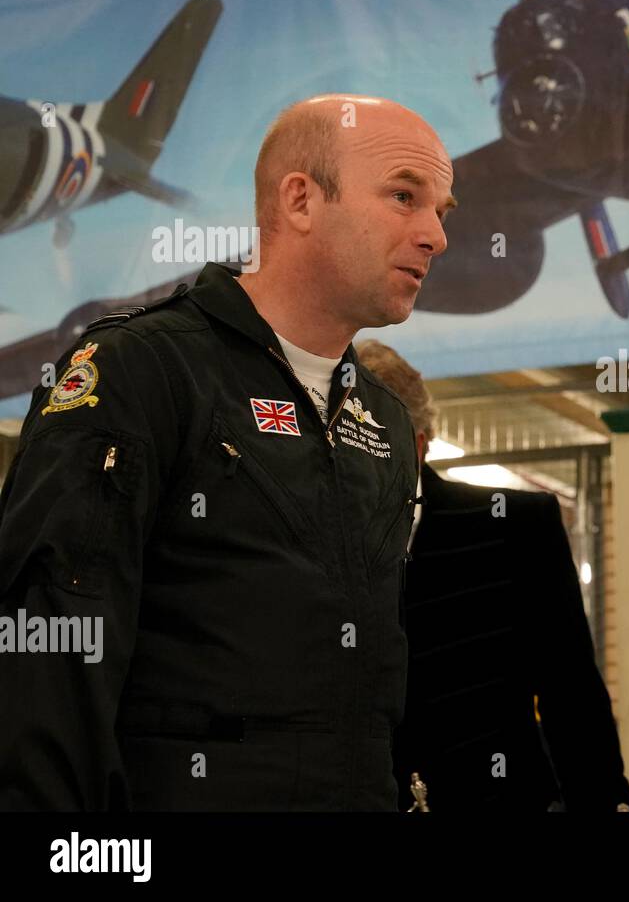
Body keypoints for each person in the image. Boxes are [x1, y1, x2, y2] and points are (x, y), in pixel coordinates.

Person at [0, 94, 453, 810]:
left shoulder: (385, 419)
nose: (435, 234)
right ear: (301, 199)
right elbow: (46, 669)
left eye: (442, 211)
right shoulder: (138, 371)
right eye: (405, 195)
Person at [354, 340, 629, 811]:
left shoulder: (515, 529)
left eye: (372, 439)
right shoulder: (305, 545)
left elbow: (572, 694)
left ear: (420, 443)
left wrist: (605, 802)